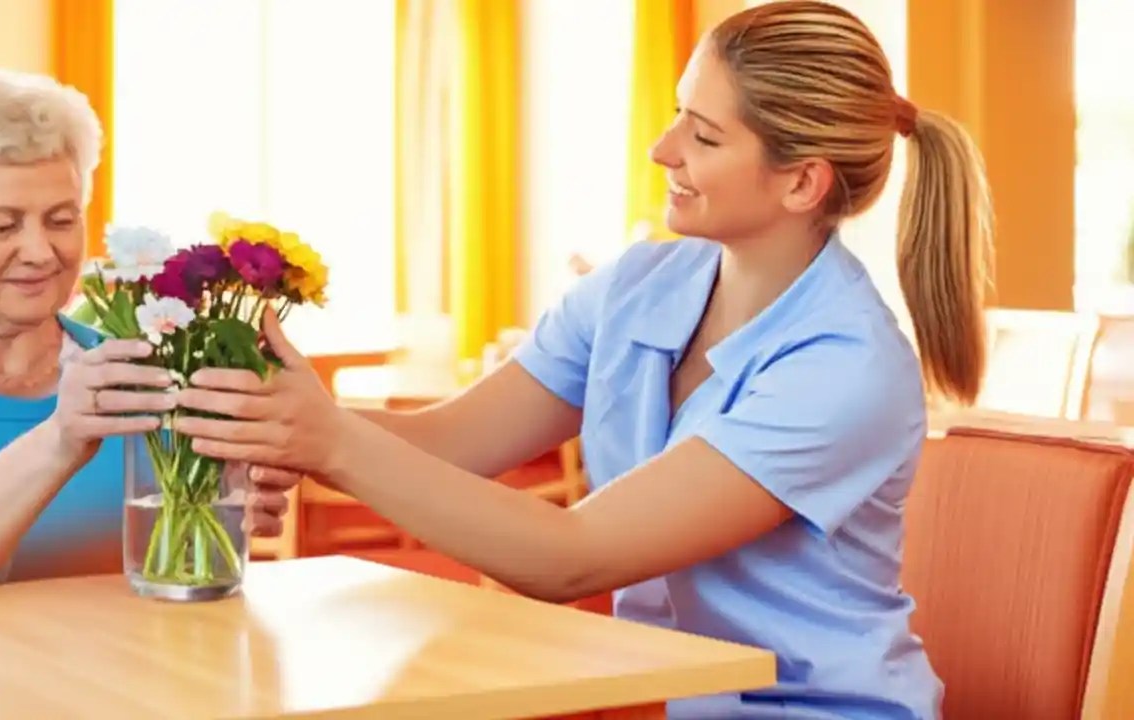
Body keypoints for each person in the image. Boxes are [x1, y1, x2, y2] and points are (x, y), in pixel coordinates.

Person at [178, 2, 992, 717]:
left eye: (703, 135)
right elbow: (452, 442)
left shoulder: (845, 366)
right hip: (657, 701)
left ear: (802, 183)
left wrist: (328, 442)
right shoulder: (640, 287)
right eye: (679, 113)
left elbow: (572, 558)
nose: (661, 148)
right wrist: (280, 423)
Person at [0, 69, 295, 592]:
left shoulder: (140, 368)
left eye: (62, 220)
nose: (42, 252)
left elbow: (181, 573)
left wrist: (231, 492)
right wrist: (60, 441)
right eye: (3, 225)